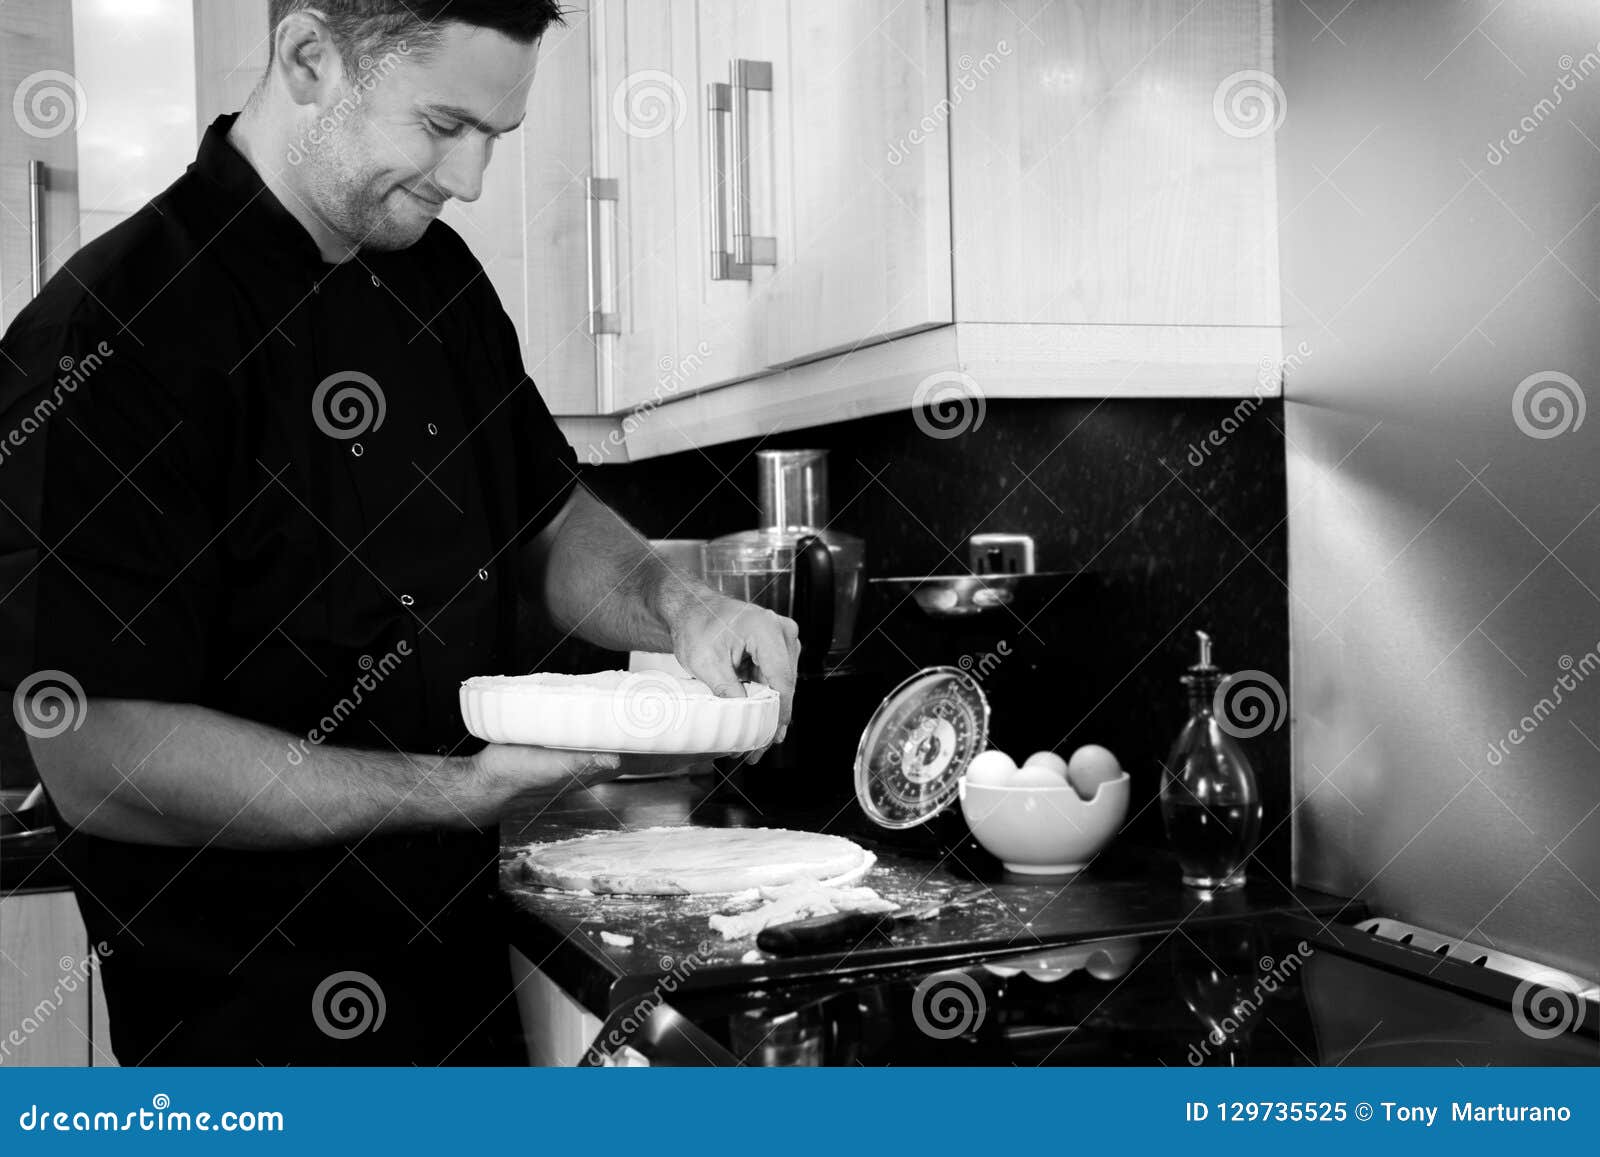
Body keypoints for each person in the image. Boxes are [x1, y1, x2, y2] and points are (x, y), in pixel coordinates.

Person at [0, 0, 796, 1065]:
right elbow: (96, 750)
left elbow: (546, 520)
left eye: (494, 139)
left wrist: (677, 600)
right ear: (310, 57)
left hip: (459, 980)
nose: (467, 181)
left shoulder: (438, 279)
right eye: (442, 127)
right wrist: (456, 790)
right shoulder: (109, 328)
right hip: (247, 1027)